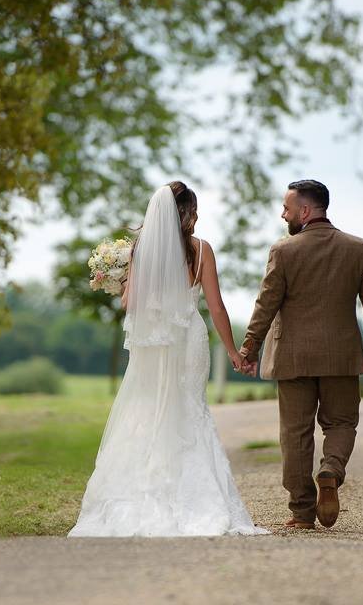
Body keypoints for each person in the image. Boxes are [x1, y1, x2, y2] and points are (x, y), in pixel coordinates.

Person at [68, 182, 269, 537]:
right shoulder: (202, 250)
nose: (198, 216)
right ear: (184, 213)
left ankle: (144, 496)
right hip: (187, 338)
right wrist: (233, 351)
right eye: (194, 209)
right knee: (190, 410)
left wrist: (126, 280)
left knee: (148, 410)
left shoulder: (140, 251)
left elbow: (129, 304)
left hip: (153, 342)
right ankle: (196, 498)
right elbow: (216, 306)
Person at [239, 179, 363, 530]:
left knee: (295, 433)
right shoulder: (359, 249)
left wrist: (250, 347)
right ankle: (331, 470)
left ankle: (302, 512)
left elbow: (266, 304)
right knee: (341, 423)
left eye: (287, 208)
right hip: (340, 356)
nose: (283, 214)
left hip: (292, 357)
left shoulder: (284, 251)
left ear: (305, 211)